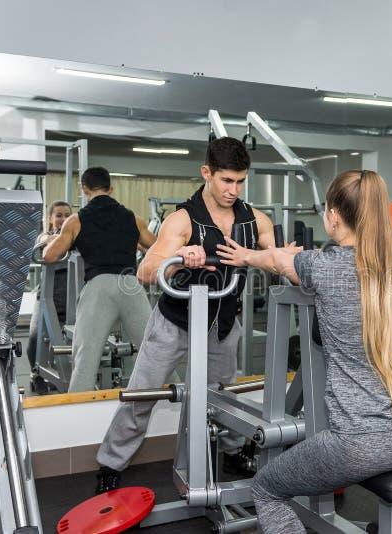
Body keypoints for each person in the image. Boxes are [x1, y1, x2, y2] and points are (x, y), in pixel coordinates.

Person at [217, 170, 392, 534]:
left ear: (334, 215)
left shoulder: (325, 266)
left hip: (362, 444)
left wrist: (246, 256)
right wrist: (282, 256)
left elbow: (278, 262)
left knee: (266, 488)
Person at [94, 136, 277, 494]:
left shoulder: (255, 220)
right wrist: (179, 259)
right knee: (142, 395)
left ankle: (233, 452)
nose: (233, 190)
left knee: (223, 397)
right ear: (207, 173)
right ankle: (110, 464)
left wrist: (276, 257)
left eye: (240, 181)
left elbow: (277, 260)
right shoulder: (182, 219)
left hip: (223, 324)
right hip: (175, 320)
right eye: (226, 180)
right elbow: (146, 272)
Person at [43, 167, 156, 392]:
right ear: (110, 189)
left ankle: (77, 409)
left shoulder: (76, 221)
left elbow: (50, 256)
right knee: (154, 351)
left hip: (99, 287)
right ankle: (178, 402)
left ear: (84, 189)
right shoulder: (133, 218)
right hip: (130, 285)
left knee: (85, 359)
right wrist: (132, 243)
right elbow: (158, 247)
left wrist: (50, 240)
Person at [27, 200, 72, 394]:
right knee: (35, 338)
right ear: (50, 218)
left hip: (72, 297)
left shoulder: (75, 238)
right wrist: (68, 238)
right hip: (47, 296)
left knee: (69, 341)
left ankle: (64, 375)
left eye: (67, 215)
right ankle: (36, 374)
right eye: (59, 215)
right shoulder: (45, 237)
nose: (63, 218)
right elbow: (45, 240)